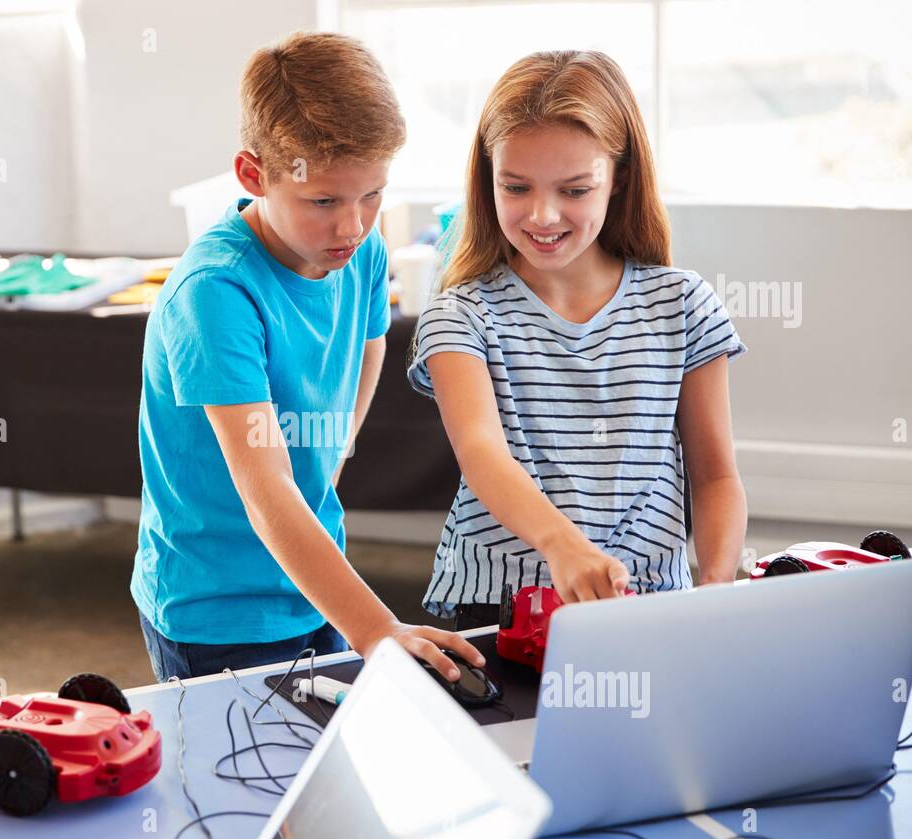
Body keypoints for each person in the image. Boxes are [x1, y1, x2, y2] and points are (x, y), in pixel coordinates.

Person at [131, 31, 484, 681]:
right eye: (323, 201)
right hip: (216, 611)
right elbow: (266, 491)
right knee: (242, 779)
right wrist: (377, 629)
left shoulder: (363, 252)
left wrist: (336, 447)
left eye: (372, 195)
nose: (351, 225)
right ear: (252, 175)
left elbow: (372, 341)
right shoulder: (215, 293)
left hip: (317, 577)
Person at [407, 51, 748, 631]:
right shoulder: (461, 315)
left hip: (654, 604)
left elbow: (715, 474)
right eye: (515, 187)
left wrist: (716, 587)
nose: (542, 215)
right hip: (499, 605)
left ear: (618, 180)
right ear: (485, 179)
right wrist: (562, 547)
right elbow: (483, 454)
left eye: (574, 189)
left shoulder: (683, 303)